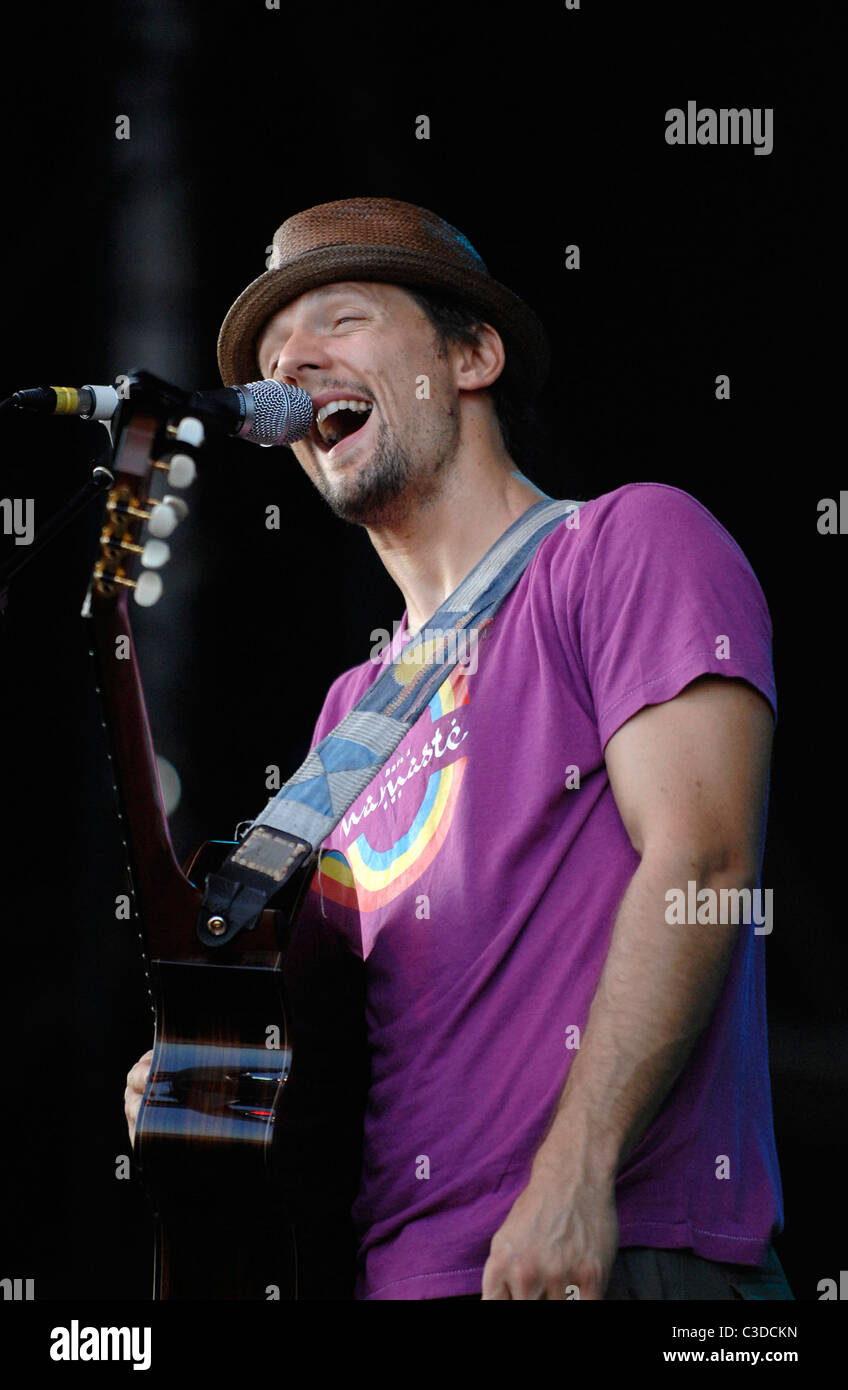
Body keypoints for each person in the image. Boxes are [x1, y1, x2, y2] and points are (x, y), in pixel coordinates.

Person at [126, 196, 793, 1301]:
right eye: (274, 355)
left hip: (619, 1249)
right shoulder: (348, 713)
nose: (293, 363)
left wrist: (574, 1177)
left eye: (339, 320)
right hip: (409, 1277)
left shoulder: (622, 545)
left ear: (472, 354)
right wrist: (205, 1074)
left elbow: (705, 866)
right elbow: (336, 1029)